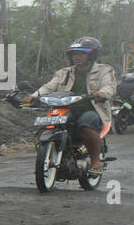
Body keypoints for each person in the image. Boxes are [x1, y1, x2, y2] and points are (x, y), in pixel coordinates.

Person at [29, 36, 117, 173]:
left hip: (92, 108)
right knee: (44, 127)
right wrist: (33, 96)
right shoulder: (64, 72)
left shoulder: (104, 70)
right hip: (65, 108)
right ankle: (50, 153)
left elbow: (109, 86)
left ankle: (95, 161)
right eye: (74, 53)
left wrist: (102, 93)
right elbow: (48, 87)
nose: (77, 56)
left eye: (82, 53)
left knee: (86, 124)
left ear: (92, 54)